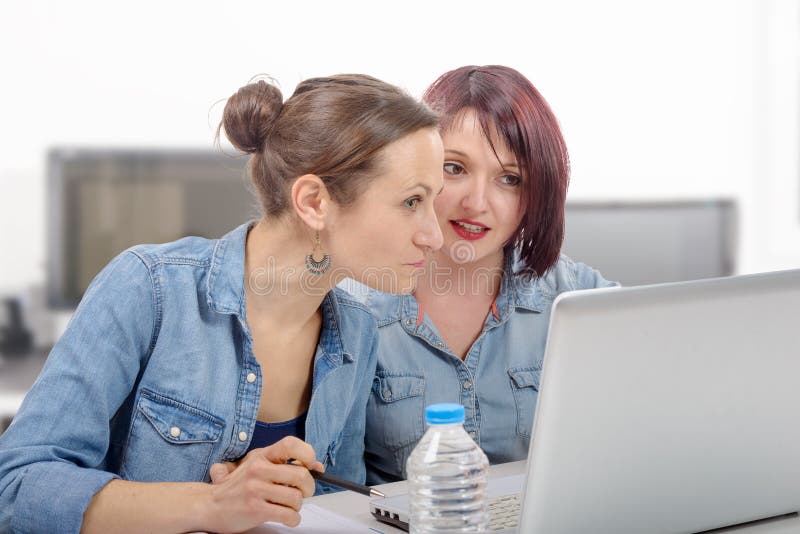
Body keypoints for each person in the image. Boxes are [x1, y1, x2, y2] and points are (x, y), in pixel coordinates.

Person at [0, 74, 444, 533]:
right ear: (313, 201)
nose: (435, 236)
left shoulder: (358, 332)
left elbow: (329, 513)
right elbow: (15, 489)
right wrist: (211, 503)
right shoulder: (148, 289)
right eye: (412, 201)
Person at [360, 65, 618, 484]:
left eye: (510, 179)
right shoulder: (356, 305)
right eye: (455, 168)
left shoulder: (575, 296)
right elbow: (330, 494)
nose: (476, 202)